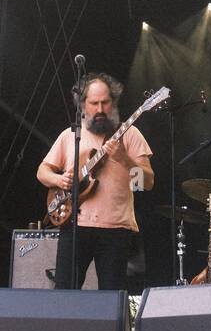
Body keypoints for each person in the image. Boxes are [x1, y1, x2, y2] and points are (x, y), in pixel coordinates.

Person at [37, 74, 154, 291]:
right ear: (83, 105)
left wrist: (124, 160)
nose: (100, 109)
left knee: (111, 300)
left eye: (105, 102)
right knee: (63, 294)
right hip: (74, 227)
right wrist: (59, 179)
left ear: (113, 102)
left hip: (115, 230)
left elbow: (145, 183)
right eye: (94, 103)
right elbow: (42, 172)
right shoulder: (70, 135)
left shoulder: (130, 134)